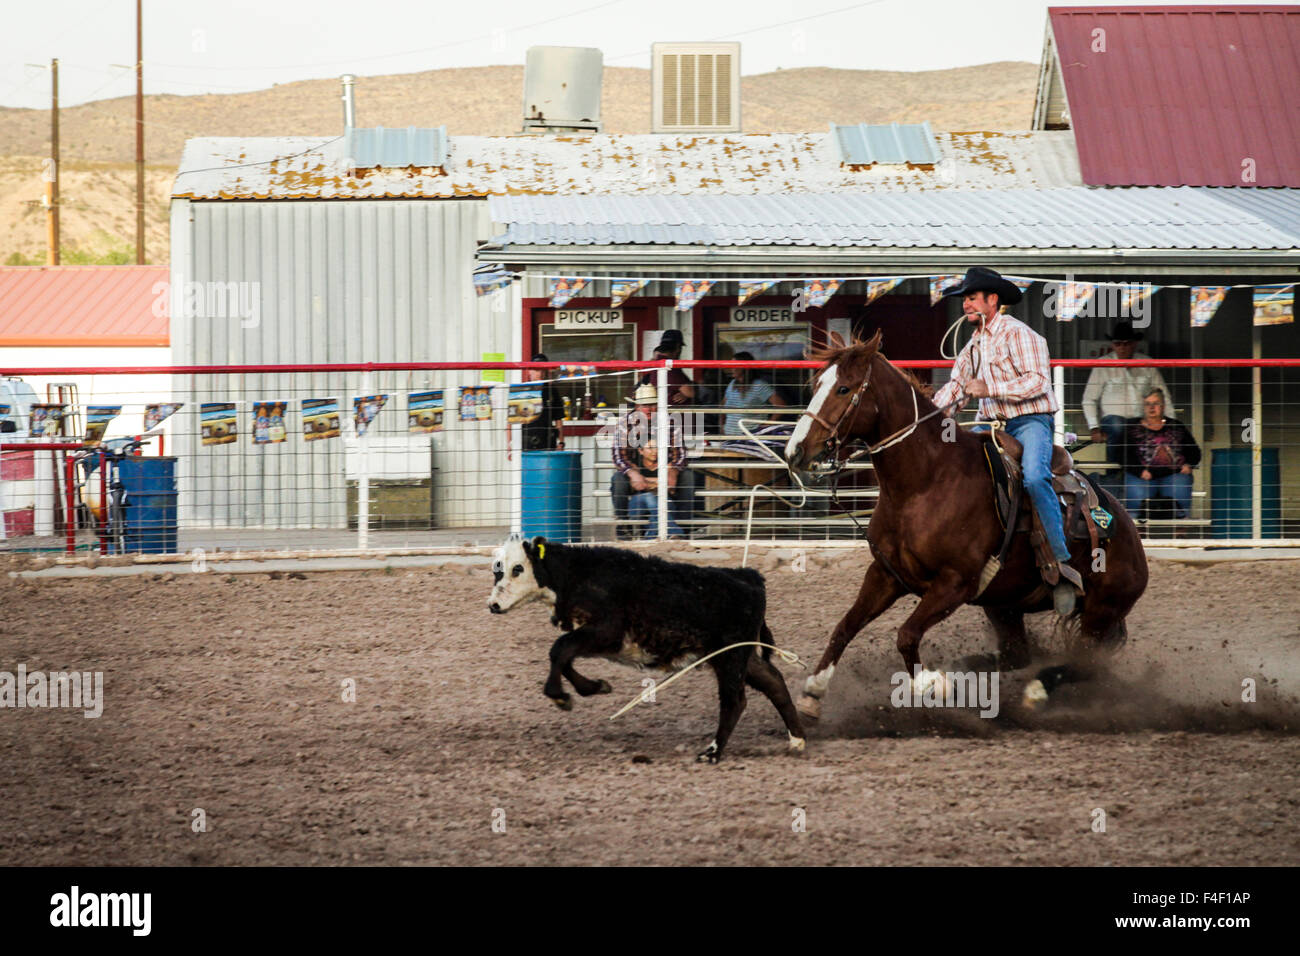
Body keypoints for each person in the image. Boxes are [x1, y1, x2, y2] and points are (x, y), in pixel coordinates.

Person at [931, 266, 1085, 614]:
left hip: (1030, 423)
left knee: (1034, 477)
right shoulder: (972, 347)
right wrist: (926, 418)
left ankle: (1060, 565)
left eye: (971, 298)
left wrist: (990, 388)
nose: (966, 305)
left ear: (992, 300)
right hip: (991, 427)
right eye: (965, 300)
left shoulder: (1021, 335)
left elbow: (1038, 383)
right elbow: (956, 388)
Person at [1081, 321, 1171, 494]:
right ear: (1112, 344)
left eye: (1126, 343)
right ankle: (1117, 473)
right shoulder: (1103, 364)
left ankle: (1128, 476)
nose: (1122, 347)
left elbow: (1163, 395)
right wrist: (1094, 427)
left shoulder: (1147, 363)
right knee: (1118, 425)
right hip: (1113, 420)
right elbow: (1089, 399)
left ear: (1134, 343)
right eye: (1117, 343)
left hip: (1141, 421)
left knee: (1140, 432)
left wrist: (1168, 423)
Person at [610, 383, 693, 540]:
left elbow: (681, 453)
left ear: (658, 405)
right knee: (618, 480)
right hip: (637, 471)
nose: (648, 409)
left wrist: (673, 471)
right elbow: (618, 456)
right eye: (644, 405)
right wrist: (632, 473)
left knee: (687, 476)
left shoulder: (670, 422)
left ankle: (684, 526)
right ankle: (624, 527)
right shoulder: (624, 423)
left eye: (652, 404)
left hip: (664, 469)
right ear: (637, 405)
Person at [1122, 388, 1201, 519]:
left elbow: (1194, 451)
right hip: (1142, 475)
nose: (1152, 407)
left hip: (1174, 474)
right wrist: (1139, 471)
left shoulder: (1176, 425)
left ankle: (1180, 532)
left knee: (1181, 496)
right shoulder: (1131, 426)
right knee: (1135, 504)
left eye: (1156, 403)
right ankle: (1137, 535)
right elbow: (1121, 453)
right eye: (1148, 404)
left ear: (1163, 406)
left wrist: (1189, 464)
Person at [625, 438, 686, 538]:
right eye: (650, 448)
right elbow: (635, 485)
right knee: (650, 497)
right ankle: (674, 532)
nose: (655, 451)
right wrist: (658, 482)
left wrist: (645, 481)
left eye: (657, 447)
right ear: (640, 451)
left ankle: (650, 538)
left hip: (663, 502)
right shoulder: (635, 464)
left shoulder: (668, 464)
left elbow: (669, 486)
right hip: (638, 505)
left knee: (657, 508)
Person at [722, 350, 788, 435]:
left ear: (744, 367)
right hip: (729, 438)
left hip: (749, 439)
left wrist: (766, 426)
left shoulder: (759, 386)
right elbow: (723, 406)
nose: (731, 368)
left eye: (734, 365)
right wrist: (722, 425)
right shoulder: (732, 385)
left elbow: (781, 406)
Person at [637, 330, 695, 407]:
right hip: (675, 415)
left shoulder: (655, 364)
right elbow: (690, 392)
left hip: (666, 412)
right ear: (678, 347)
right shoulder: (669, 367)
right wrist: (688, 393)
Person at [520, 352, 564, 451]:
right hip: (527, 442)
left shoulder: (552, 390)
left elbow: (558, 419)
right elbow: (511, 420)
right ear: (529, 371)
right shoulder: (521, 390)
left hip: (548, 441)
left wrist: (561, 442)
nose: (539, 373)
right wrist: (510, 444)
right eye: (536, 369)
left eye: (543, 369)